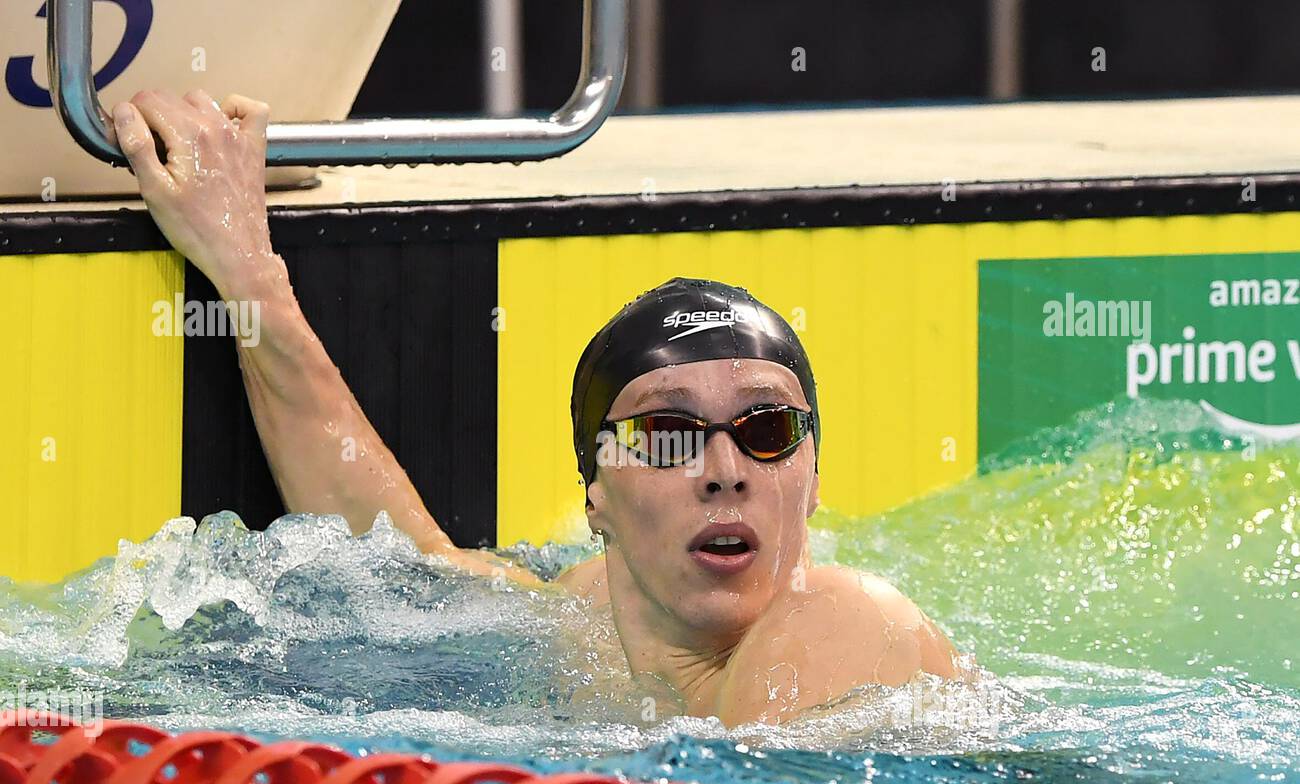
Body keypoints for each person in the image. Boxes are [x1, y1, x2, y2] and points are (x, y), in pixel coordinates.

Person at [110, 89, 962, 726]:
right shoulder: (587, 616)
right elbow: (399, 562)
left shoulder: (845, 622)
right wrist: (247, 273)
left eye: (767, 429)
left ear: (814, 480)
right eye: (667, 435)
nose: (725, 472)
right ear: (597, 496)